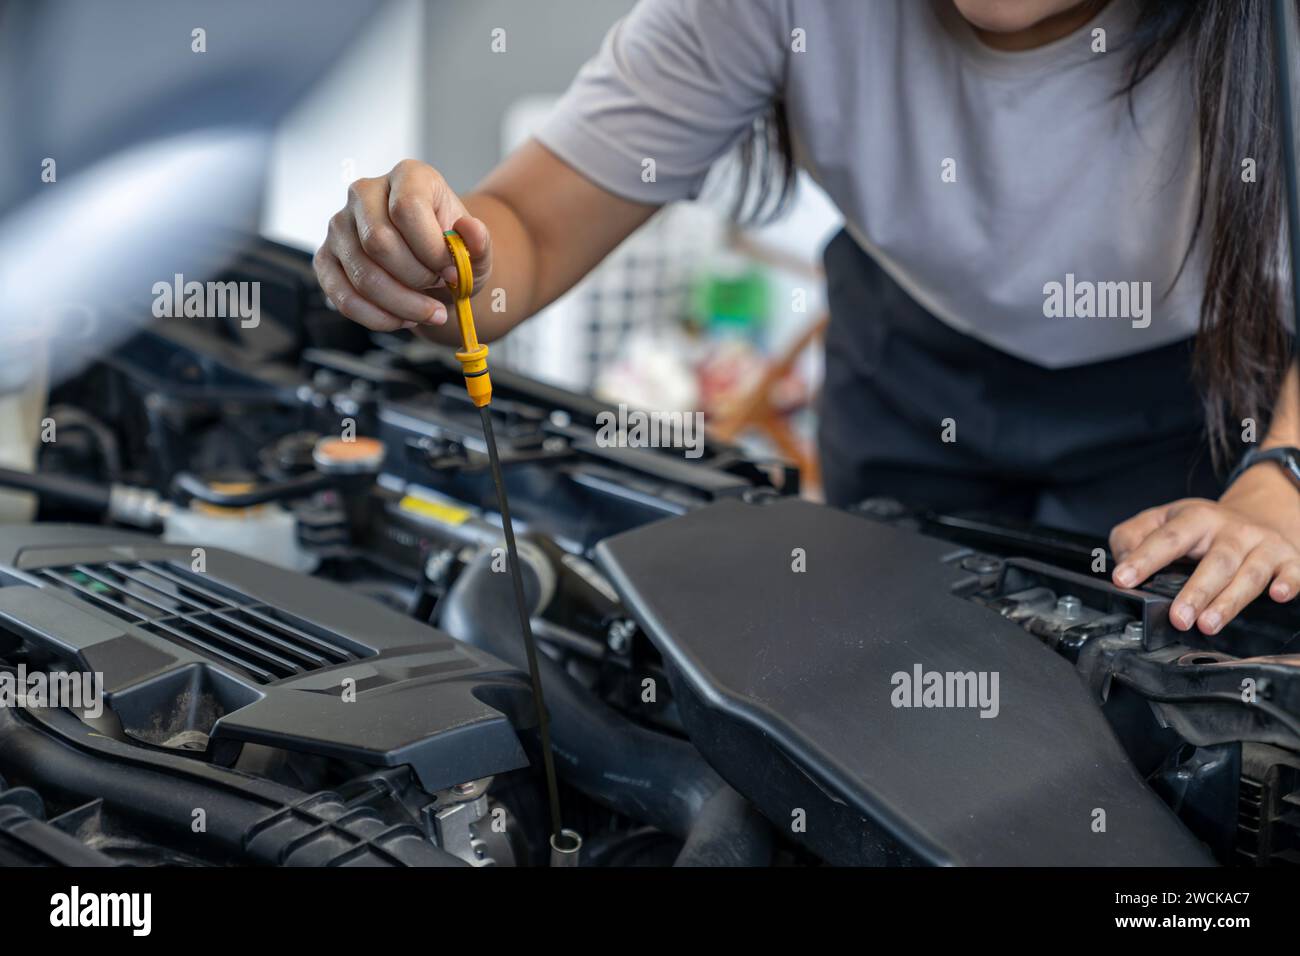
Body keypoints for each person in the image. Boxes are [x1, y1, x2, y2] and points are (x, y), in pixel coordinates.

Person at [313, 0, 1300, 636]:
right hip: (909, 374)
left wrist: (1278, 483)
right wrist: (427, 267)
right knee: (883, 694)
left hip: (1193, 412)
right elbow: (525, 227)